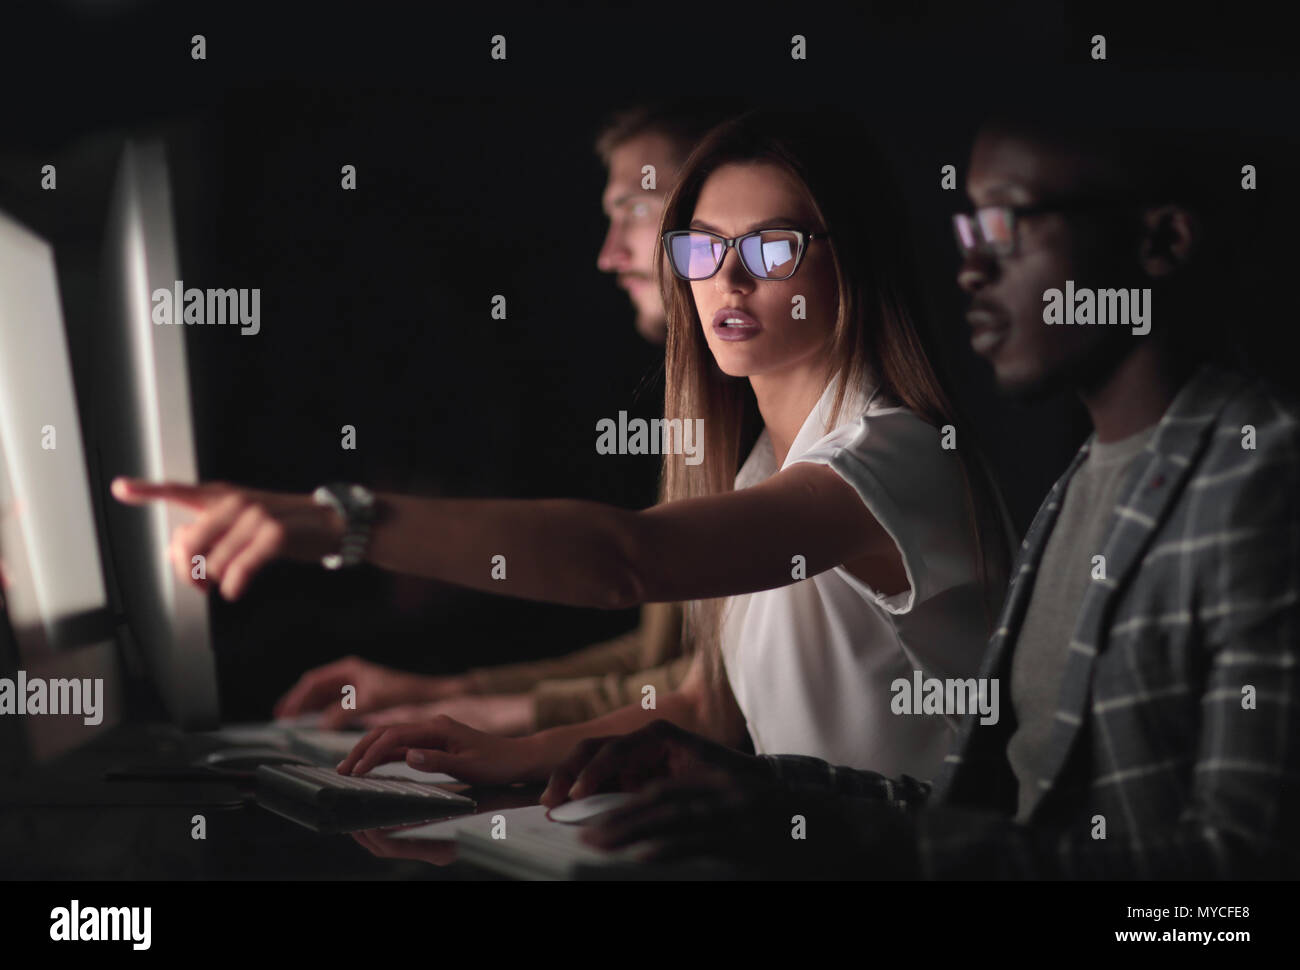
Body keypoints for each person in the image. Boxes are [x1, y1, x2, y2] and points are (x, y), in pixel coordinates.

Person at [113, 107, 1011, 788]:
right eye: (701, 248)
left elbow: (627, 558)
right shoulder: (761, 468)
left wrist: (339, 522)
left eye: (773, 248)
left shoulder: (891, 455)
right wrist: (509, 751)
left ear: (849, 264)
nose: (727, 279)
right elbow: (707, 704)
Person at [545, 115, 1300, 880]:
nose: (971, 263)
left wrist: (837, 836)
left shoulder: (1263, 477)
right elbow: (990, 817)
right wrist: (770, 796)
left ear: (1163, 240)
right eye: (970, 223)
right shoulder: (1084, 481)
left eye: (1008, 220)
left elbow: (1230, 893)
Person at [273, 103, 742, 735]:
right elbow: (672, 661)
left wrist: (336, 522)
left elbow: (638, 576)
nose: (609, 255)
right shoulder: (713, 415)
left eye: (633, 207)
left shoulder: (790, 436)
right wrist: (456, 692)